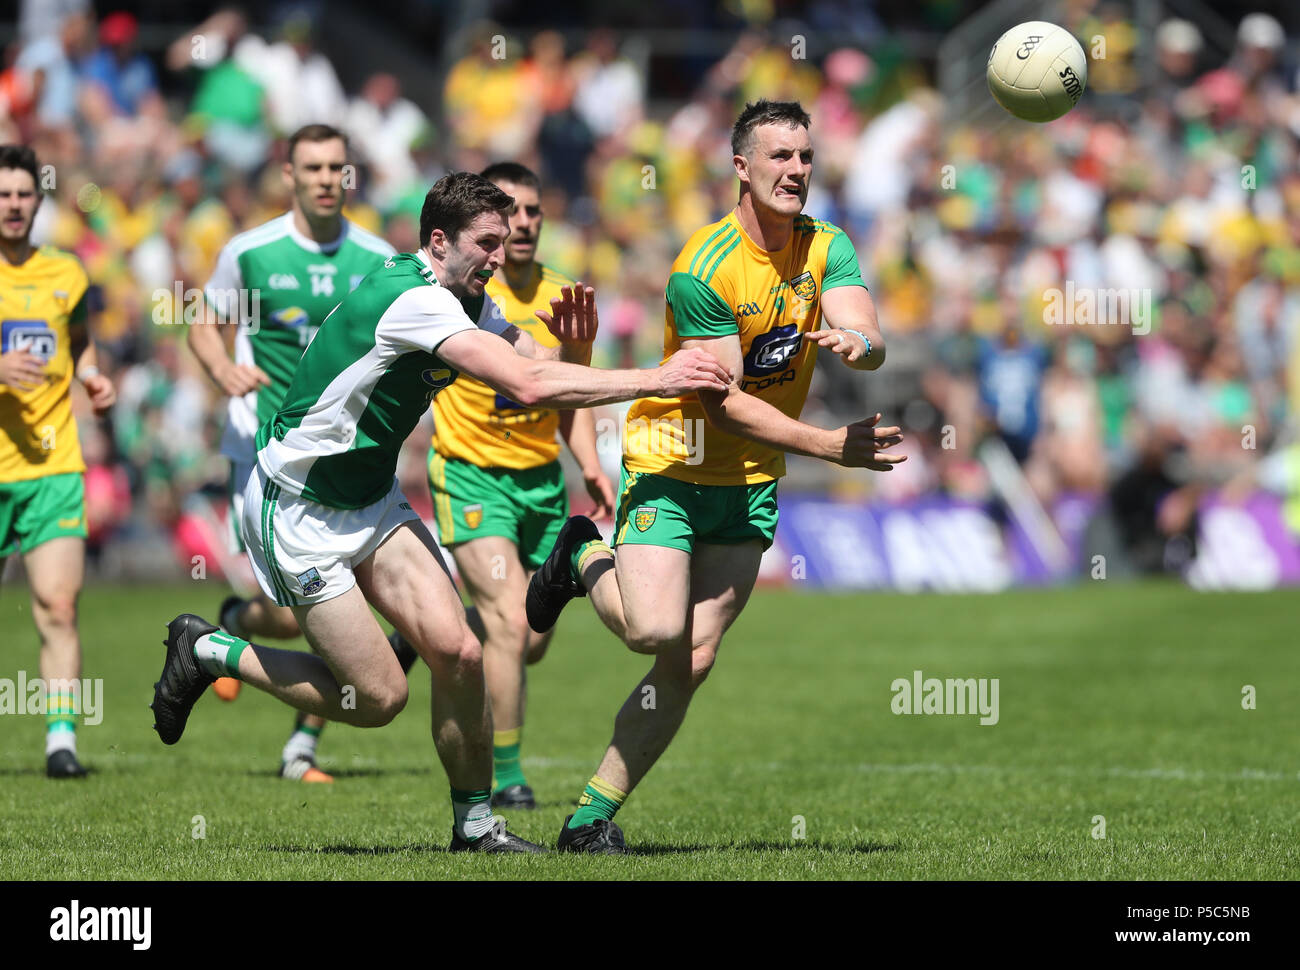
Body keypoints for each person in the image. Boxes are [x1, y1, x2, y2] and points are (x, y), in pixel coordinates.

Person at [149, 171, 731, 852]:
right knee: (376, 699)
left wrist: (576, 347)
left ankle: (476, 826)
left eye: (505, 239)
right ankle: (210, 650)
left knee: (459, 651)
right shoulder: (418, 301)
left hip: (369, 500)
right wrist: (657, 378)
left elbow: (538, 367)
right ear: (438, 241)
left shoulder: (462, 298)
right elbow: (524, 382)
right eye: (486, 243)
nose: (500, 255)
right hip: (297, 509)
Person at [524, 99, 904, 852]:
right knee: (653, 629)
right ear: (741, 167)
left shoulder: (828, 244)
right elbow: (724, 405)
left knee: (691, 657)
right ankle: (580, 555)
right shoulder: (703, 268)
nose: (796, 171)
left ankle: (588, 820)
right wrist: (827, 445)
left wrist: (859, 342)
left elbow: (866, 326)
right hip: (674, 461)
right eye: (779, 157)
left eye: (804, 157)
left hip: (750, 478)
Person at [188, 123, 402, 782]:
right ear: (288, 174)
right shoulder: (250, 253)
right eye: (311, 167)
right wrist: (224, 371)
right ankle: (231, 624)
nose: (325, 178)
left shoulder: (373, 258)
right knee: (284, 616)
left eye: (337, 166)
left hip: (339, 458)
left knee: (354, 608)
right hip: (263, 450)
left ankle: (301, 747)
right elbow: (203, 323)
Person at [428, 161, 614, 808]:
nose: (524, 223)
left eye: (534, 212)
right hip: (471, 474)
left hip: (541, 482)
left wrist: (589, 463)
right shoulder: (465, 290)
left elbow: (572, 390)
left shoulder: (566, 294)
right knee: (510, 622)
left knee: (528, 641)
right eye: (510, 213)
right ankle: (507, 779)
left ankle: (439, 628)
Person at [0, 144, 116, 778]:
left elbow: (79, 343)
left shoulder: (66, 273)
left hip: (51, 463)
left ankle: (61, 741)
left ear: (37, 199)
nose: (13, 204)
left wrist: (92, 376)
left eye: (22, 193)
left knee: (59, 605)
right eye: (3, 194)